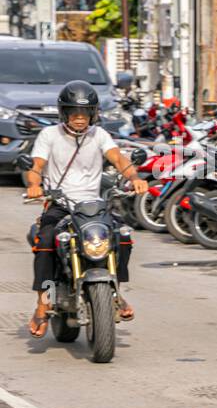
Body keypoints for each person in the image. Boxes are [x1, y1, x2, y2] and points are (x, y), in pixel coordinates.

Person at [25, 80, 148, 338]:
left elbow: (118, 159)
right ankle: (42, 303)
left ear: (93, 114)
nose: (79, 119)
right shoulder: (49, 135)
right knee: (46, 242)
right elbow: (36, 166)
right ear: (64, 113)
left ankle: (115, 292)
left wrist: (134, 178)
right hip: (60, 205)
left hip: (92, 205)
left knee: (122, 236)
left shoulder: (99, 135)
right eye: (74, 113)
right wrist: (35, 186)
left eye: (84, 113)